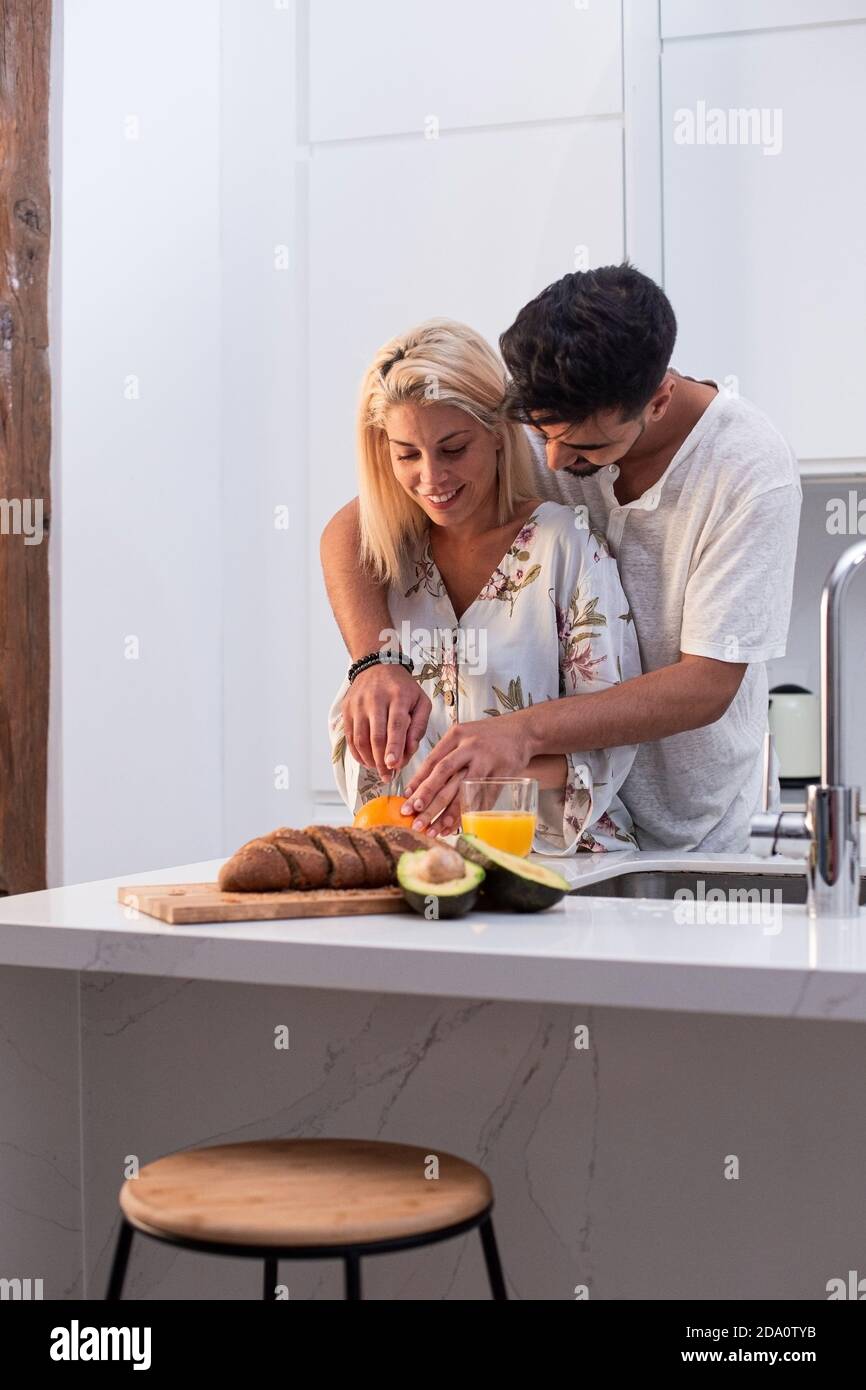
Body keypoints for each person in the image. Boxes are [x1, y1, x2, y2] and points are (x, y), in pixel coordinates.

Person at [321, 266, 802, 852]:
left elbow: (706, 686)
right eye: (539, 432)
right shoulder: (550, 415)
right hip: (569, 831)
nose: (550, 457)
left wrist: (519, 733)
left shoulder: (747, 471)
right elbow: (353, 527)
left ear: (658, 401)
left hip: (698, 822)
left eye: (584, 446)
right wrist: (374, 661)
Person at [328, 318, 641, 854]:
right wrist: (367, 688)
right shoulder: (389, 559)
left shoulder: (561, 544)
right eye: (407, 455)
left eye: (453, 449)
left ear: (498, 436)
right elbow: (363, 760)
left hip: (559, 866)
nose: (432, 479)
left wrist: (487, 779)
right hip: (422, 859)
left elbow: (610, 737)